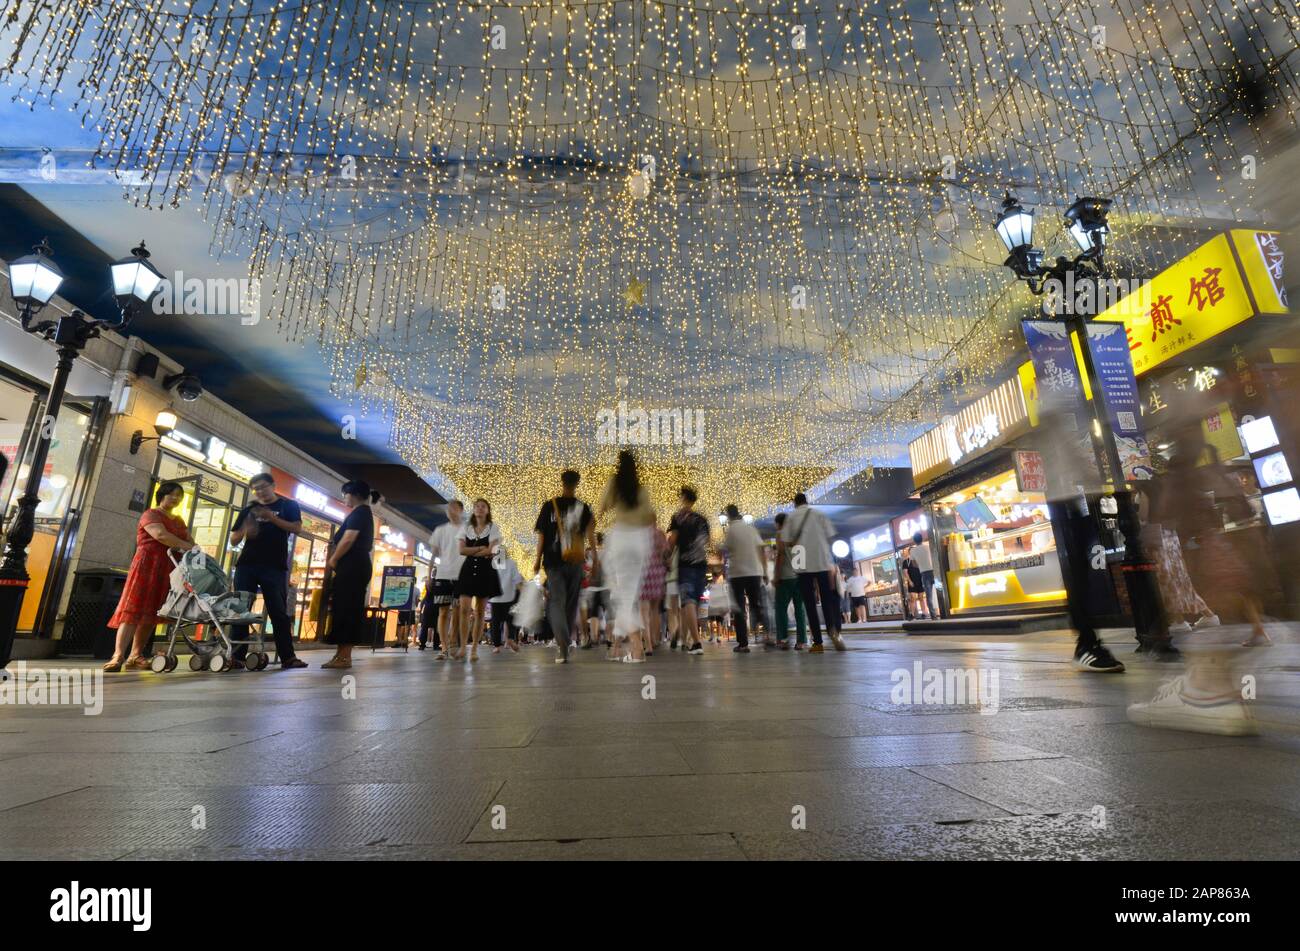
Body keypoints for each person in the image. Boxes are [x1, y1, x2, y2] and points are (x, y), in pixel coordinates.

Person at [103, 481, 195, 671]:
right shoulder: (151, 514)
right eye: (172, 494)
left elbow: (190, 540)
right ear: (162, 495)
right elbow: (161, 535)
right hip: (147, 565)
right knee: (133, 610)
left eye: (179, 496)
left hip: (168, 568)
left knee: (152, 612)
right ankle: (118, 656)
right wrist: (188, 547)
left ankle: (135, 656)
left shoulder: (179, 520)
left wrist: (193, 548)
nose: (176, 498)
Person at [227, 472, 307, 669]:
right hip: (246, 565)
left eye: (263, 487)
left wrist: (272, 518)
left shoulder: (288, 505)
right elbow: (233, 540)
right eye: (256, 489)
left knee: (278, 612)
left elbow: (296, 528)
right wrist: (246, 529)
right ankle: (237, 657)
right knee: (240, 611)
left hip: (274, 566)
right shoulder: (249, 510)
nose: (260, 491)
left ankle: (288, 657)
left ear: (273, 486)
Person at [533, 468, 596, 664]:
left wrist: (537, 560)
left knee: (557, 603)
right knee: (570, 605)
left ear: (562, 482)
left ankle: (563, 645)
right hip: (575, 561)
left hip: (553, 561)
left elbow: (542, 535)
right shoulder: (583, 507)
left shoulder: (549, 506)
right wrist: (595, 558)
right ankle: (564, 643)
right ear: (577, 484)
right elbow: (590, 534)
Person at [598, 450, 654, 663]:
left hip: (621, 539)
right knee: (629, 597)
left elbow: (602, 507)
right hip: (639, 542)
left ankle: (637, 648)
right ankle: (618, 648)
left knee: (621, 596)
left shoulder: (615, 483)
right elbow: (650, 517)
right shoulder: (642, 489)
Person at [321, 480, 378, 669]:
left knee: (347, 609)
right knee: (342, 608)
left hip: (353, 566)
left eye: (345, 494)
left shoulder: (360, 513)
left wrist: (334, 559)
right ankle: (340, 654)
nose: (344, 498)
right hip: (354, 565)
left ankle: (345, 656)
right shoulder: (361, 513)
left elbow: (348, 538)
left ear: (355, 495)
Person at [779, 492, 845, 652]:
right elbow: (830, 536)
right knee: (826, 600)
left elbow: (786, 541)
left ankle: (818, 643)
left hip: (802, 564)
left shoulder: (791, 517)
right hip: (821, 561)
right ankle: (833, 630)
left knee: (809, 604)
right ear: (806, 501)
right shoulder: (819, 514)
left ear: (795, 503)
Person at [456, 498, 502, 662]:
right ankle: (463, 646)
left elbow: (492, 550)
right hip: (468, 570)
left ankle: (474, 648)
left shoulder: (493, 528)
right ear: (473, 509)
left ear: (488, 510)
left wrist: (474, 550)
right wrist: (481, 548)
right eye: (477, 506)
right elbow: (461, 550)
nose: (480, 508)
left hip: (485, 571)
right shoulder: (466, 527)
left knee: (480, 612)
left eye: (483, 506)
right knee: (464, 609)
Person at [666, 485, 710, 654]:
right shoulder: (702, 519)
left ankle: (696, 643)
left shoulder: (678, 517)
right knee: (693, 603)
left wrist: (667, 557)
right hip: (701, 565)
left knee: (688, 602)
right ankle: (688, 639)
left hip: (685, 565)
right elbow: (706, 542)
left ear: (684, 499)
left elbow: (672, 540)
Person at [722, 505, 765, 653]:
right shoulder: (751, 529)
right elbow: (760, 548)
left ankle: (743, 644)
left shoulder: (731, 530)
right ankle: (767, 632)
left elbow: (726, 549)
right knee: (755, 604)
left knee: (739, 609)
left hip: (738, 574)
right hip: (754, 572)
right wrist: (763, 570)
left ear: (728, 516)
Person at [428, 500, 466, 660]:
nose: (450, 511)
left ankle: (452, 642)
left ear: (461, 510)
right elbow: (433, 554)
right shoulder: (440, 530)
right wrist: (429, 575)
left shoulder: (468, 530)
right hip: (443, 575)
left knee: (457, 611)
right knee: (443, 612)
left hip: (461, 576)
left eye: (454, 508)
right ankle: (443, 647)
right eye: (448, 508)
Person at [772, 512, 808, 649]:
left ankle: (783, 639)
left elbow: (780, 555)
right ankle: (801, 641)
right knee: (799, 609)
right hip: (800, 576)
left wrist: (776, 576)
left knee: (781, 608)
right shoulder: (798, 534)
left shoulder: (780, 534)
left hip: (785, 577)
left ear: (778, 524)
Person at [640, 519, 667, 655]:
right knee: (655, 610)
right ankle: (656, 639)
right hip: (657, 573)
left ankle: (648, 644)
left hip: (643, 572)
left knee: (644, 611)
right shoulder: (660, 534)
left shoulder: (640, 535)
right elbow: (666, 552)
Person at [489, 548, 523, 653]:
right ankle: (511, 639)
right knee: (510, 620)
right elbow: (517, 580)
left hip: (495, 598)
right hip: (509, 597)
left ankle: (497, 646)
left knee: (495, 622)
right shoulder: (511, 563)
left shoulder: (491, 563)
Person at [899, 545, 928, 620]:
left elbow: (923, 570)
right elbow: (905, 573)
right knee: (913, 598)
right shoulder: (906, 561)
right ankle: (911, 614)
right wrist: (910, 581)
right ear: (909, 553)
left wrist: (924, 581)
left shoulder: (919, 561)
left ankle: (924, 613)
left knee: (921, 598)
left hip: (920, 582)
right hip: (912, 582)